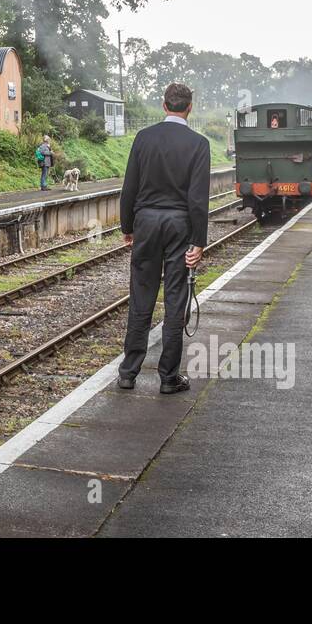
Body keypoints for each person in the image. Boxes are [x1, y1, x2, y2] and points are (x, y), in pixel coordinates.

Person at [117, 82, 210, 394]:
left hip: (145, 222)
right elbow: (198, 199)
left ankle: (128, 373)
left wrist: (127, 226)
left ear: (164, 104)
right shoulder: (199, 144)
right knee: (175, 300)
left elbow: (129, 187)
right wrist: (199, 241)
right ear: (190, 107)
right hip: (179, 225)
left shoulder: (143, 138)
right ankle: (168, 378)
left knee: (141, 297)